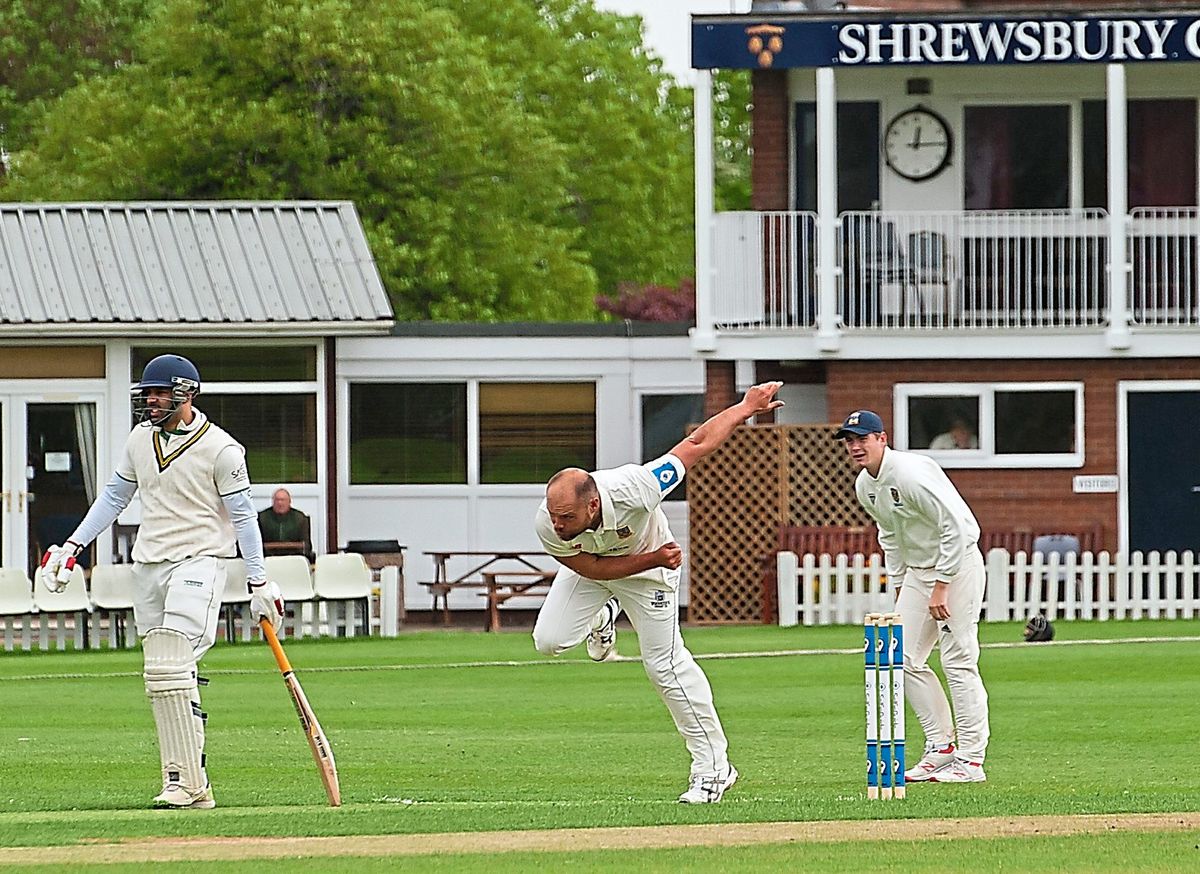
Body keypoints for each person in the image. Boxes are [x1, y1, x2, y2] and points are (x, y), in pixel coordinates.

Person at [39, 354, 284, 810]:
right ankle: (185, 781)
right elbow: (114, 497)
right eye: (146, 393)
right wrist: (72, 546)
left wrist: (258, 581)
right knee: (161, 674)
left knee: (174, 662)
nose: (150, 401)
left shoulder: (223, 449)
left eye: (159, 392)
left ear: (186, 393)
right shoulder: (139, 440)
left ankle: (190, 781)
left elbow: (244, 516)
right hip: (148, 564)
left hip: (199, 562)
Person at [532, 381, 785, 804]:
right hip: (627, 564)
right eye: (554, 515)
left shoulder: (637, 486)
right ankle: (603, 613)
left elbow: (695, 444)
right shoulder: (547, 524)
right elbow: (591, 567)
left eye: (566, 517)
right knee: (549, 641)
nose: (557, 524)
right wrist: (652, 559)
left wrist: (743, 409)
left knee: (664, 667)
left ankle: (713, 769)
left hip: (651, 577)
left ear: (592, 507)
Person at [837, 409, 990, 784]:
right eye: (850, 441)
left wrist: (942, 584)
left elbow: (954, 526)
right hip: (920, 573)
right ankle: (942, 748)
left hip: (958, 566)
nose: (856, 447)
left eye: (863, 439)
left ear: (882, 439)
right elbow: (891, 535)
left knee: (958, 660)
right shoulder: (865, 485)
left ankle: (971, 760)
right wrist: (902, 584)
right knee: (900, 657)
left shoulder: (908, 473)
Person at [258, 487, 313, 561]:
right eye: (277, 500)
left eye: (283, 500)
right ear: (273, 502)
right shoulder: (262, 518)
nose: (280, 503)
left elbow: (306, 546)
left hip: (294, 559)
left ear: (289, 501)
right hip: (268, 559)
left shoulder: (300, 518)